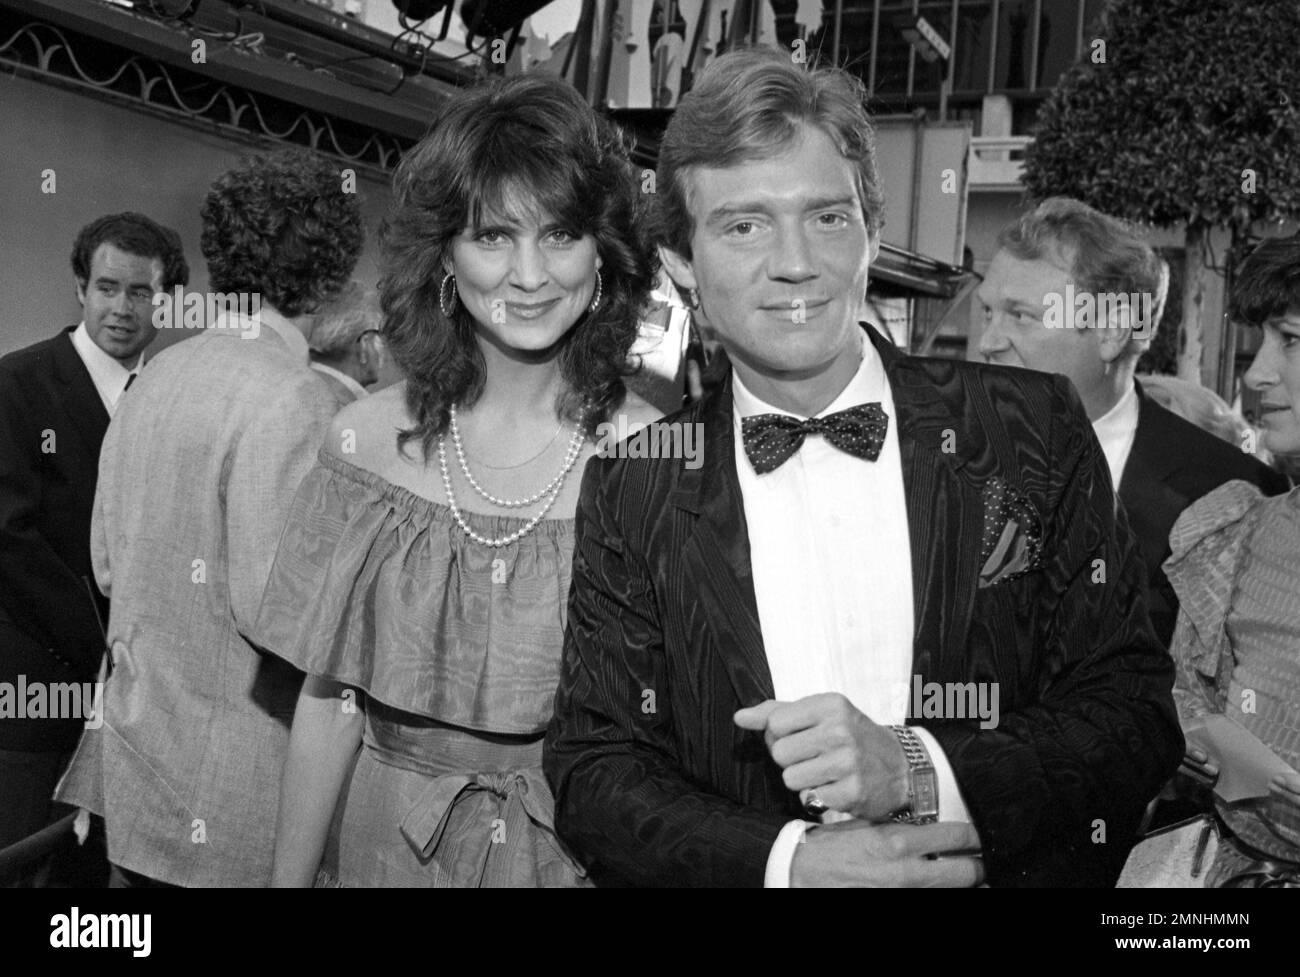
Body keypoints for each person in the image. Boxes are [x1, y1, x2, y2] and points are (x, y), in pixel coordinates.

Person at [543, 47, 1182, 888]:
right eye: (743, 225)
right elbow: (597, 770)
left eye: (828, 217)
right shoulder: (636, 484)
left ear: (872, 234)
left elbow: (1133, 713)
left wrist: (921, 770)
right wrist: (789, 863)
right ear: (683, 267)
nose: (795, 261)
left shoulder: (1028, 426)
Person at [247, 75, 659, 887]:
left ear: (603, 252)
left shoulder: (652, 457)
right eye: (494, 236)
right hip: (384, 846)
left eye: (561, 233)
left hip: (573, 851)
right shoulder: (363, 442)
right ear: (444, 255)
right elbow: (331, 702)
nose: (531, 274)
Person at [54, 149, 363, 887]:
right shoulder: (298, 397)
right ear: (327, 273)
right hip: (231, 803)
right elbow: (279, 616)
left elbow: (103, 562)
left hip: (135, 784)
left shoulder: (158, 372)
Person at [976, 197, 1288, 645]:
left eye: (1019, 316)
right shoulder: (939, 463)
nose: (988, 342)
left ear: (1112, 332)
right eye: (987, 312)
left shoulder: (1234, 493)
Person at [0, 213, 187, 885]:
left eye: (140, 292)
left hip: (137, 707)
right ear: (81, 289)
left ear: (166, 302)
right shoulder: (15, 383)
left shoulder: (172, 401)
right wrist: (109, 646)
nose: (121, 307)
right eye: (107, 287)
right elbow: (8, 541)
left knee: (91, 886)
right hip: (33, 695)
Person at [1164, 233, 1300, 886]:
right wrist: (1258, 775)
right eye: (1261, 340)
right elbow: (1187, 700)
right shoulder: (1233, 529)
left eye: (1292, 340)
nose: (1256, 374)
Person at [308, 280, 391, 405]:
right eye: (377, 334)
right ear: (364, 345)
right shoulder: (353, 409)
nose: (384, 349)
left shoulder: (291, 385)